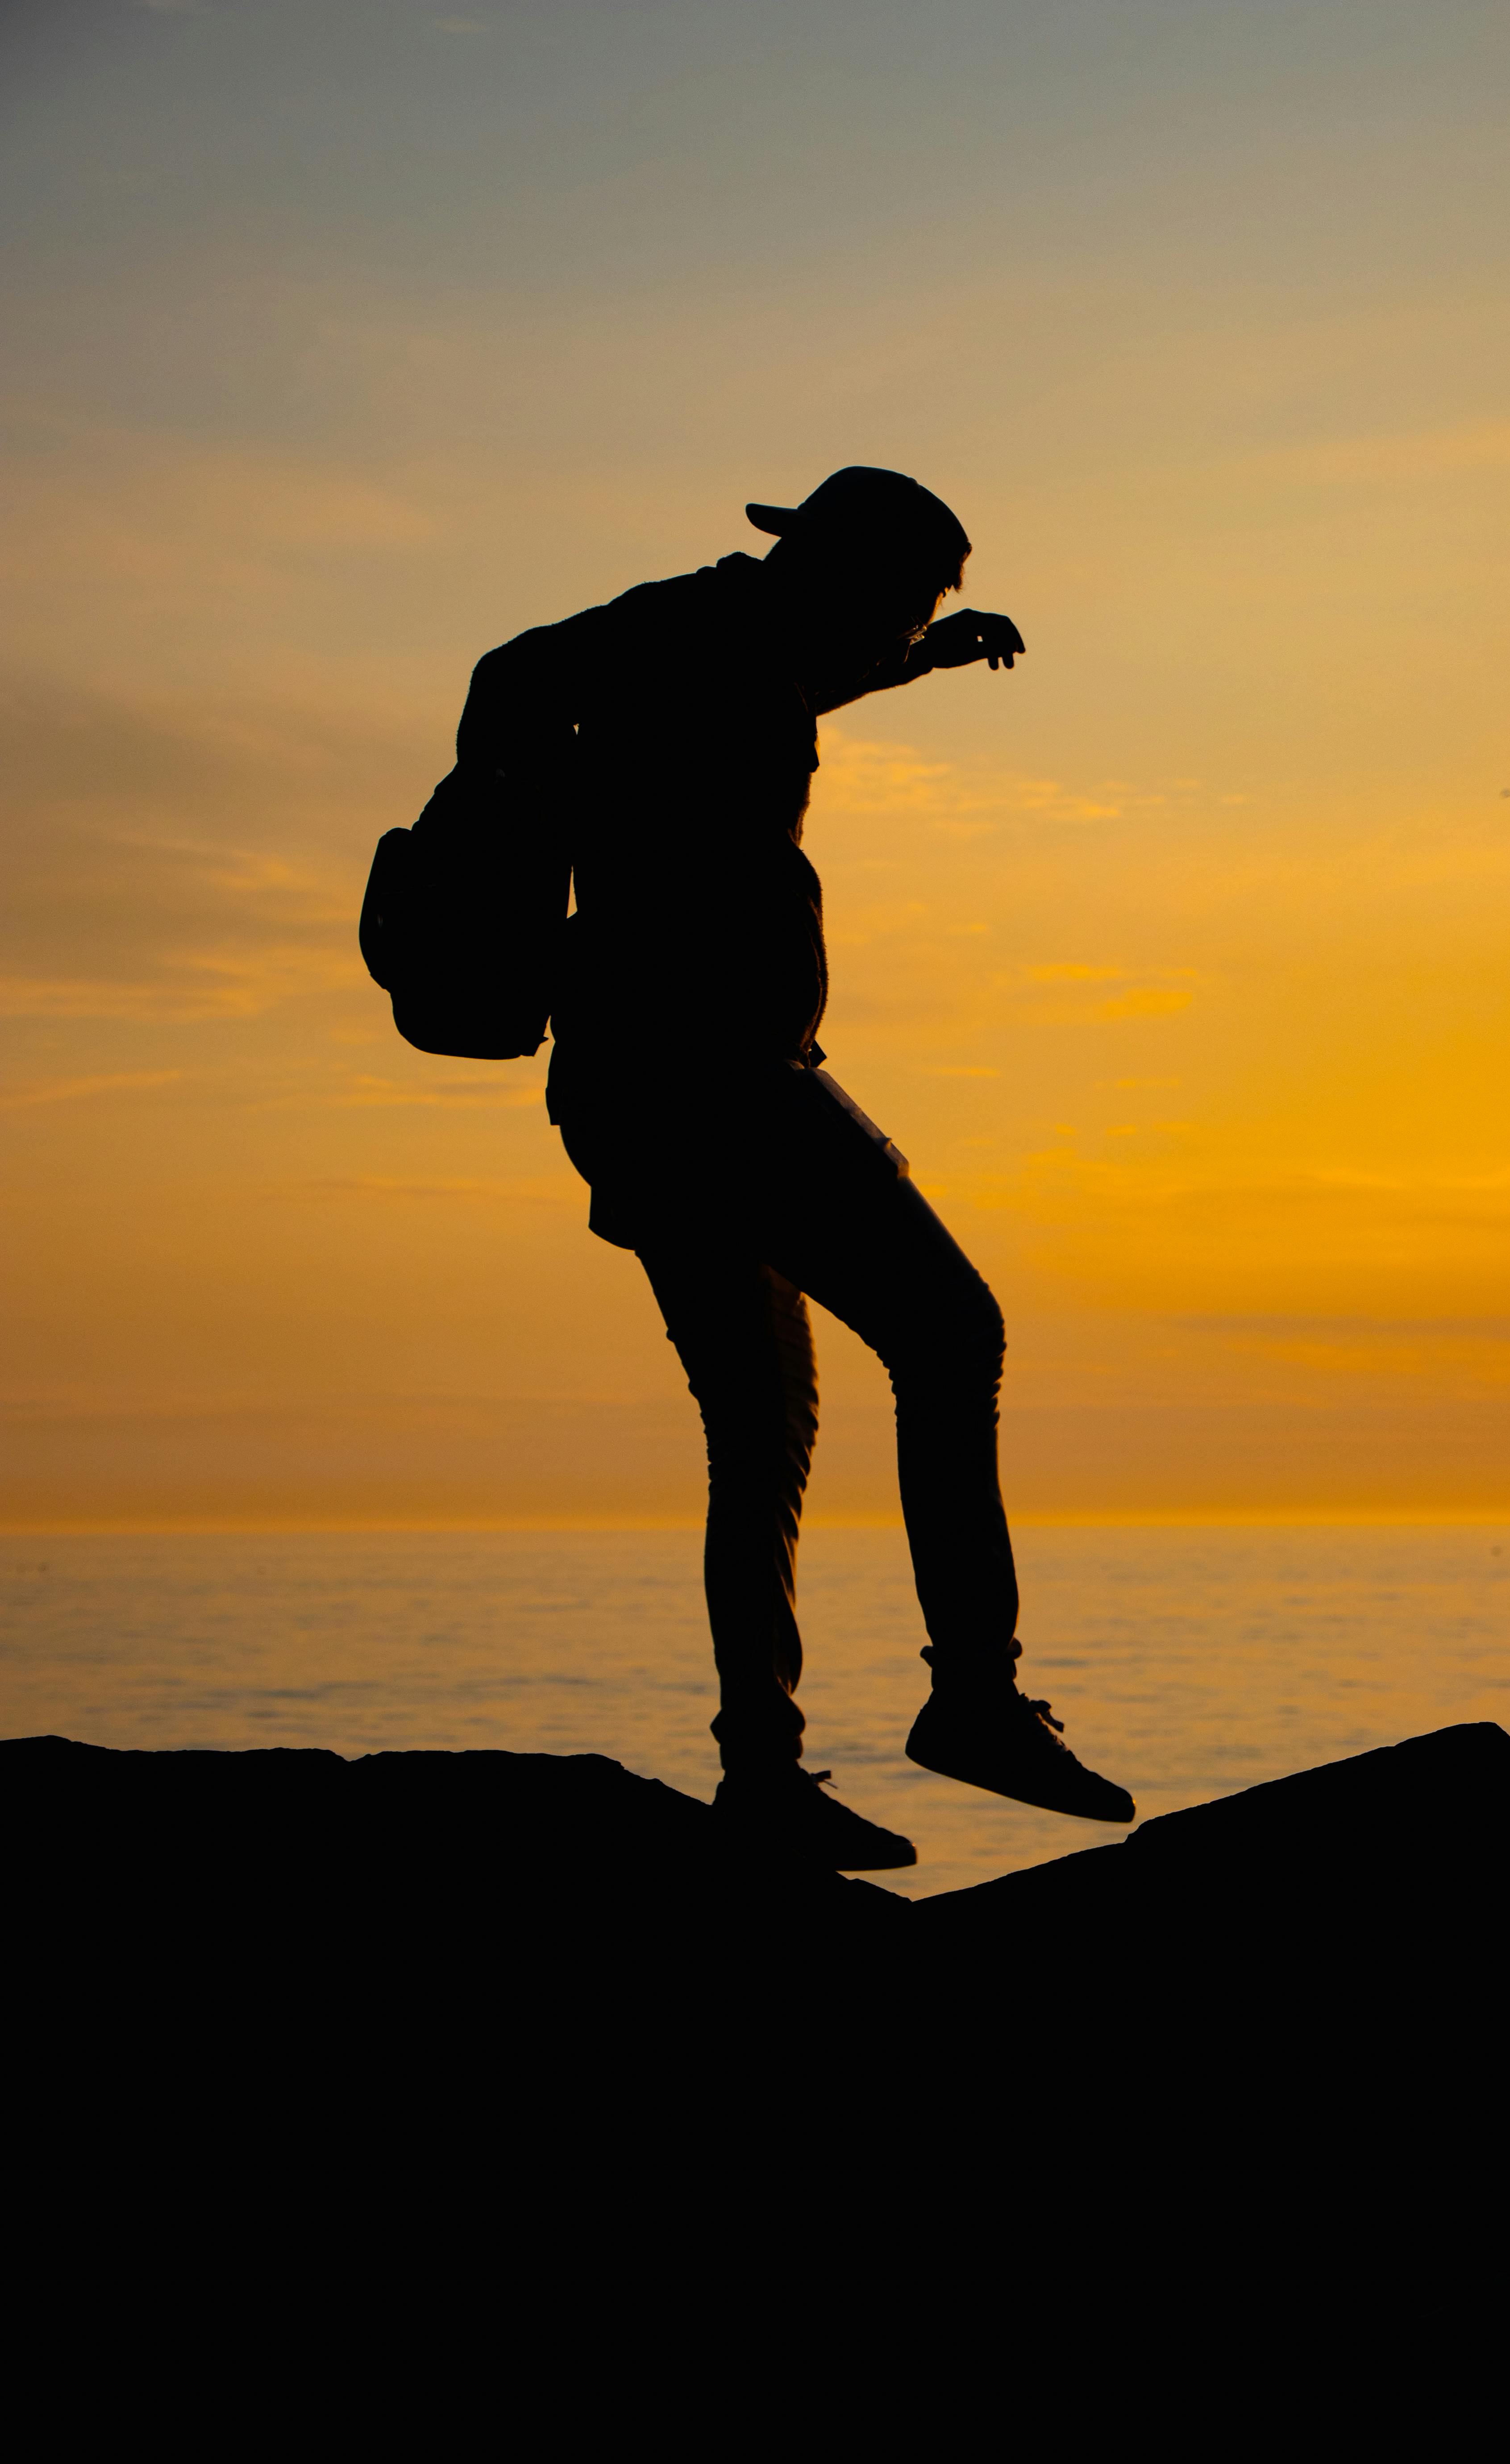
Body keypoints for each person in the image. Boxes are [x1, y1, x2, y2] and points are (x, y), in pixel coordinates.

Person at [457, 467, 1134, 1868]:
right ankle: (975, 1701)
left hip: (641, 1088)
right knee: (953, 1333)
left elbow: (776, 690)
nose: (917, 620)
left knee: (761, 1437)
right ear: (856, 575)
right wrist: (507, 833)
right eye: (914, 599)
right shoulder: (708, 628)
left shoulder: (736, 650)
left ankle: (762, 1777)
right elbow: (510, 670)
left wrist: (918, 668)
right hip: (711, 1082)